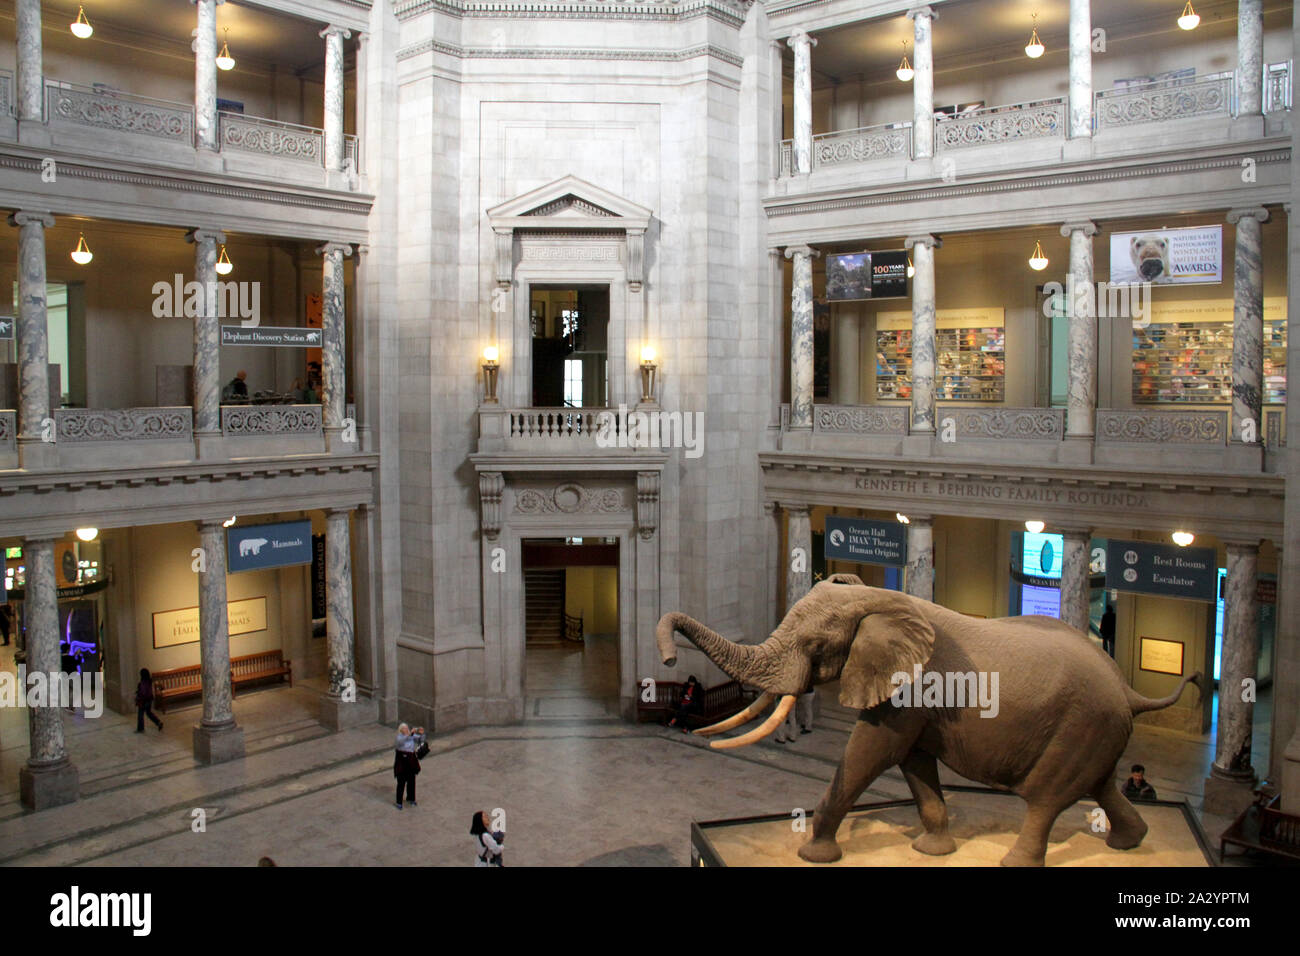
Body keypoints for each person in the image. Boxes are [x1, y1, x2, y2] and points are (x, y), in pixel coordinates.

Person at [393, 723, 425, 809]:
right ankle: (399, 802)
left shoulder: (411, 736)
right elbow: (401, 741)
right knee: (401, 782)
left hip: (410, 760)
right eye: (404, 728)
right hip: (402, 762)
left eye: (407, 728)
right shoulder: (399, 737)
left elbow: (421, 740)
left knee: (411, 781)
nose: (406, 729)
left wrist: (421, 733)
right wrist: (410, 734)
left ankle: (411, 798)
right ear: (401, 730)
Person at [135, 668, 163, 733]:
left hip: (143, 701)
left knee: (140, 714)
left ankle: (140, 728)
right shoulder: (150, 681)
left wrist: (138, 695)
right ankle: (158, 722)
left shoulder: (142, 683)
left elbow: (143, 692)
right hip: (149, 700)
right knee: (149, 713)